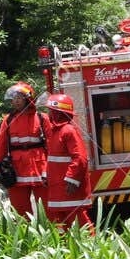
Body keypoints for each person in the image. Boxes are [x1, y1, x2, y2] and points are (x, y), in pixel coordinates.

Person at [0, 82, 47, 217]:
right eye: (13, 98)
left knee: (46, 206)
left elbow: (51, 145)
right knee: (20, 209)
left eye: (19, 98)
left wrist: (50, 168)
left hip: (40, 166)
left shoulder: (41, 118)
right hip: (16, 168)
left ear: (28, 98)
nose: (15, 101)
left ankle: (51, 234)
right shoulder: (8, 120)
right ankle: (25, 235)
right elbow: (0, 145)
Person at [39, 92, 92, 231]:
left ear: (57, 113)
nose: (48, 114)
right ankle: (65, 250)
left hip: (68, 187)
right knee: (60, 223)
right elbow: (52, 158)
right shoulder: (55, 132)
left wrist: (71, 179)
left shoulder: (68, 131)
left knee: (80, 222)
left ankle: (90, 249)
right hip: (58, 186)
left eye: (51, 111)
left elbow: (80, 157)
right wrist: (46, 174)